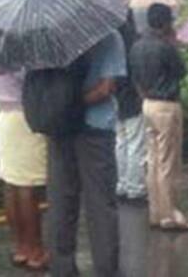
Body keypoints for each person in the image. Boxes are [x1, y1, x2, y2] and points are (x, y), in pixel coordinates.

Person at [48, 30, 125, 277]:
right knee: (100, 202)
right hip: (95, 128)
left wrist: (62, 107)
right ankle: (106, 269)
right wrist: (77, 103)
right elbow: (106, 87)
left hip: (58, 128)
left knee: (61, 199)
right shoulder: (108, 36)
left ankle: (62, 267)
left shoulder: (48, 37)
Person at [130, 3, 188, 231]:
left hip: (147, 104)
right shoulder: (165, 47)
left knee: (154, 159)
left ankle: (155, 211)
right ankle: (170, 213)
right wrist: (173, 44)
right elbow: (181, 72)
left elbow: (134, 76)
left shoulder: (136, 46)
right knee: (168, 161)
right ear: (167, 23)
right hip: (167, 105)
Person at [0, 65, 49, 271]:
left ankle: (21, 246)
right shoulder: (19, 53)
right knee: (27, 186)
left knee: (11, 184)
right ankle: (36, 250)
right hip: (25, 117)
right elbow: (32, 84)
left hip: (4, 117)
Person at [115, 11, 147, 201]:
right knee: (136, 143)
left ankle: (121, 184)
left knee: (120, 142)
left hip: (114, 97)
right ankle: (135, 187)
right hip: (132, 97)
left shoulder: (111, 43)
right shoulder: (133, 45)